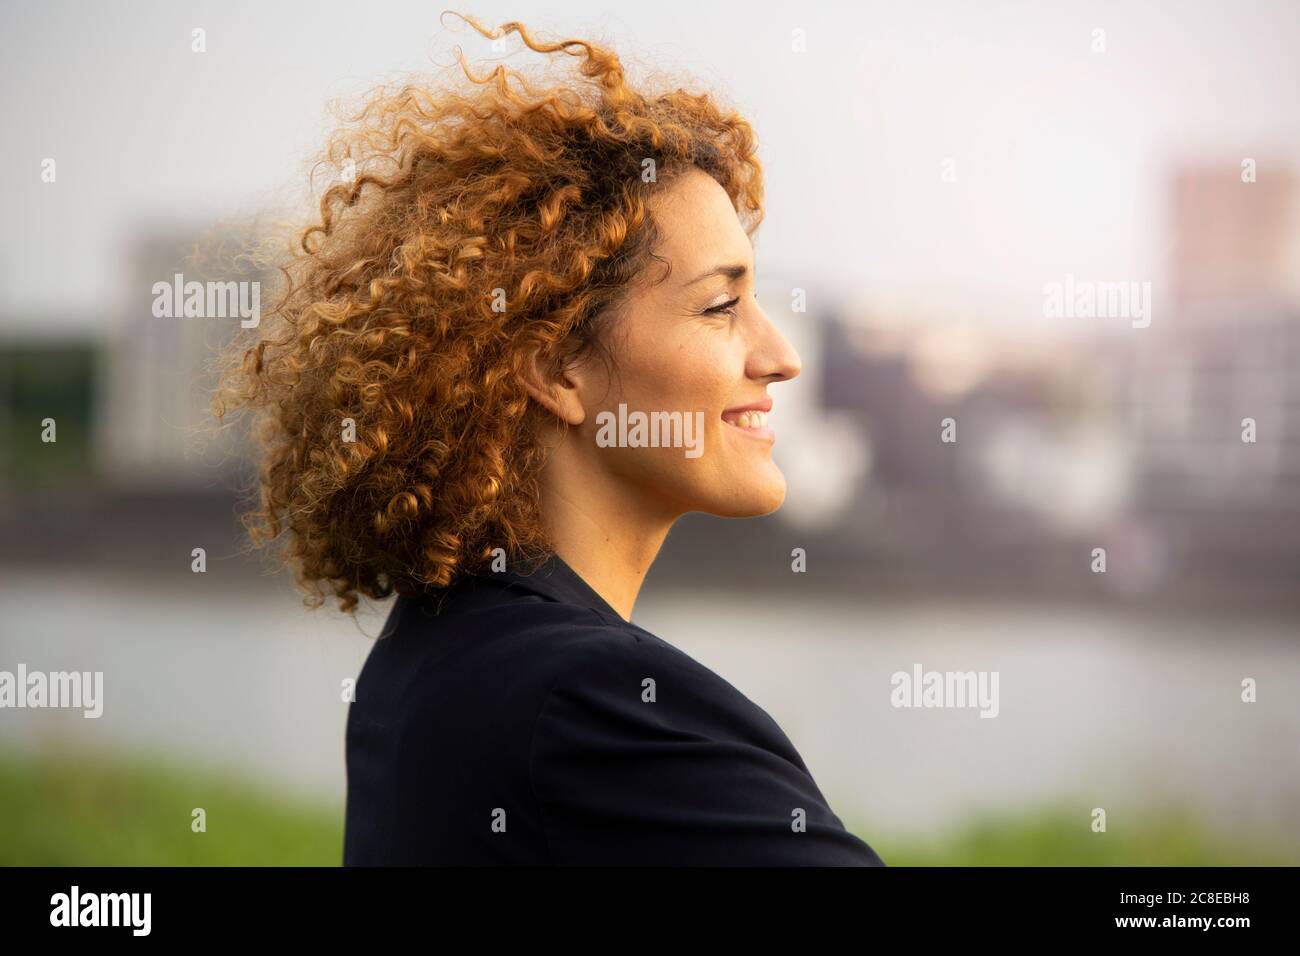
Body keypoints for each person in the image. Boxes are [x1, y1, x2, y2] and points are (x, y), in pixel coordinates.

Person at [214, 13, 884, 866]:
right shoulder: (594, 703)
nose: (780, 358)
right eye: (721, 306)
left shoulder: (428, 650)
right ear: (559, 370)